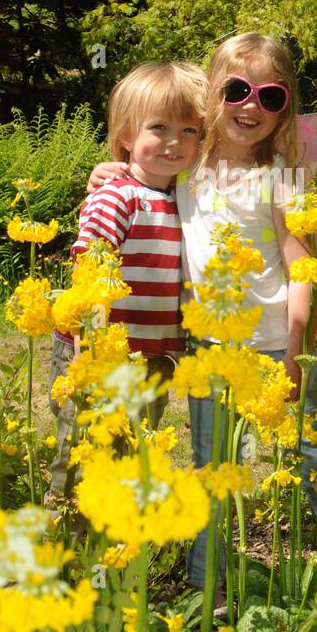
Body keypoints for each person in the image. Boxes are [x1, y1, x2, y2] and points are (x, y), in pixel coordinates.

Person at [87, 33, 317, 593]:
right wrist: (107, 171)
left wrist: (300, 352)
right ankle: (207, 587)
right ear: (212, 92)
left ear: (286, 107)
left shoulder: (281, 176)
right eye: (236, 90)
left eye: (271, 96)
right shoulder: (191, 163)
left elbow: (302, 263)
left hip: (280, 342)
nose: (251, 105)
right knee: (213, 467)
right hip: (210, 347)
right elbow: (143, 169)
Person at [45, 60, 207, 509]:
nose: (175, 141)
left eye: (190, 130)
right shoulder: (116, 196)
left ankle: (116, 565)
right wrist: (87, 349)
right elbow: (90, 273)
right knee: (83, 460)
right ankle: (66, 560)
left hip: (154, 358)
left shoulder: (186, 198)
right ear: (125, 139)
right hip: (99, 354)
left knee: (133, 461)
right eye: (159, 127)